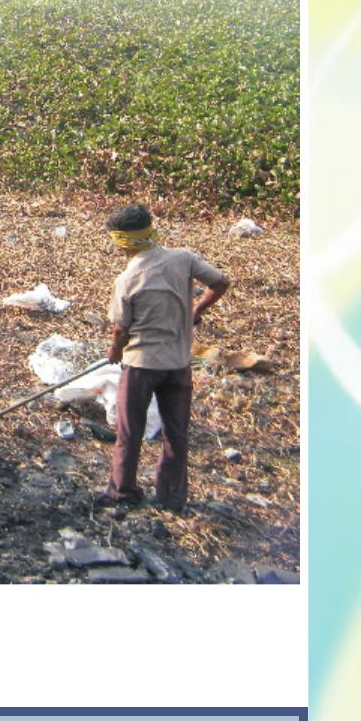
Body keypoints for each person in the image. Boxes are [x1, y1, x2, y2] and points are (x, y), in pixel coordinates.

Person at [101, 204, 230, 510]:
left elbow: (121, 329)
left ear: (123, 242)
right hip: (178, 363)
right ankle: (171, 498)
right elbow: (221, 281)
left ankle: (122, 492)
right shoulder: (183, 259)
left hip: (141, 365)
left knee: (130, 432)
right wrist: (196, 309)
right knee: (176, 433)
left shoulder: (127, 279)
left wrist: (115, 351)